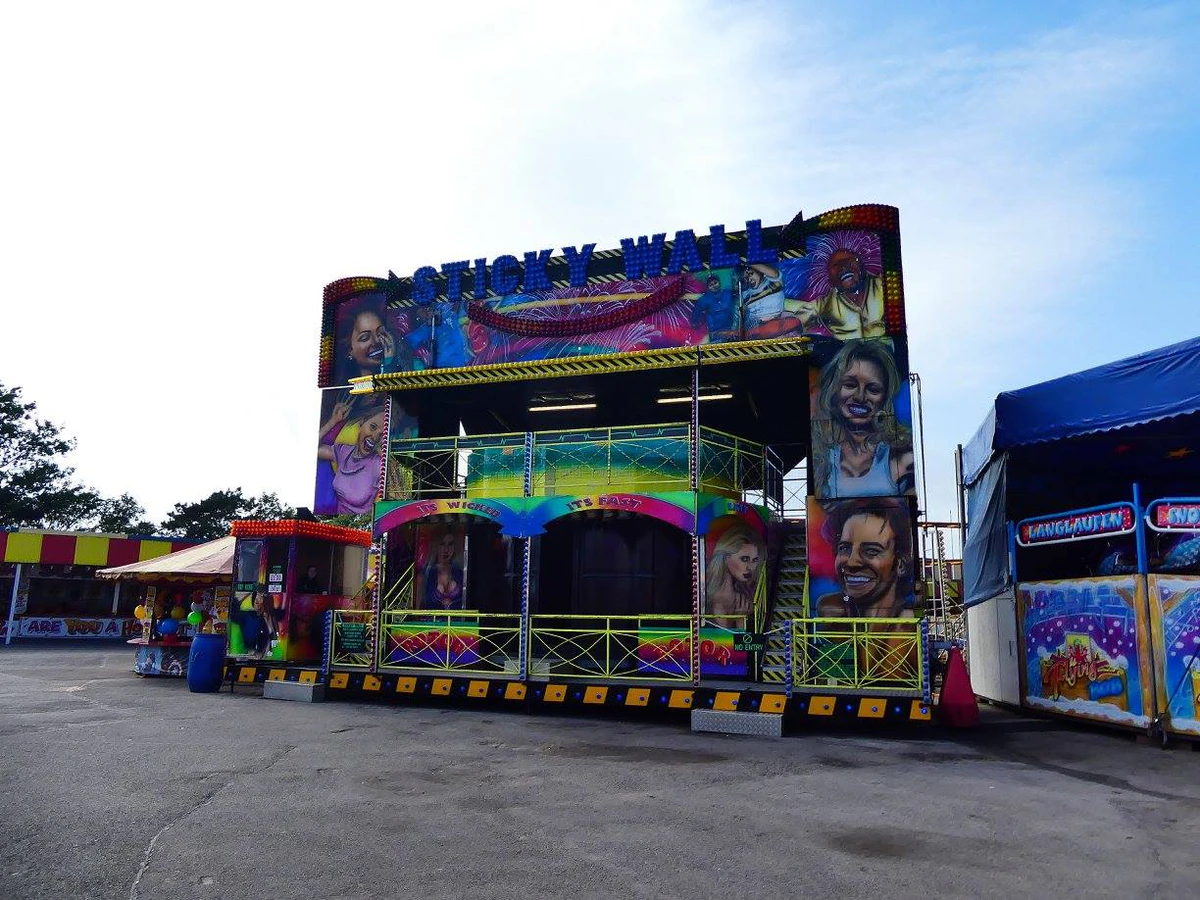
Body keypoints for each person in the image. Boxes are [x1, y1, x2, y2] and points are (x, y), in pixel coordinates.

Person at [815, 500, 918, 679]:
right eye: (844, 548)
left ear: (900, 564)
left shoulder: (906, 627)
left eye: (871, 551)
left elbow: (891, 681)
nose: (852, 562)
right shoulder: (834, 609)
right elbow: (838, 678)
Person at [812, 339, 914, 498]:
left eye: (873, 389)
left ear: (885, 398)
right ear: (834, 390)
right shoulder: (821, 459)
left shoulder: (902, 456)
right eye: (850, 385)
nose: (860, 397)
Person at [796, 233, 885, 340]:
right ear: (831, 280)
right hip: (846, 354)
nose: (843, 268)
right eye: (836, 266)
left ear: (862, 265)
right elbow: (797, 320)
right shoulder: (825, 303)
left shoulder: (881, 285)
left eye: (848, 262)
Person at [317, 399, 387, 515]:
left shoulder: (379, 464)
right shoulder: (344, 451)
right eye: (373, 427)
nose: (375, 437)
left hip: (363, 528)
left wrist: (384, 450)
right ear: (362, 423)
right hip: (337, 524)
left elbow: (400, 492)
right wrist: (333, 421)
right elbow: (314, 448)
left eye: (382, 435)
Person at [705, 524, 764, 629]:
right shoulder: (719, 600)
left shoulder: (742, 592)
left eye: (754, 560)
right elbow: (728, 640)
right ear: (726, 558)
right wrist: (740, 620)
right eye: (744, 559)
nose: (750, 567)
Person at [423, 529, 465, 610]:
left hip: (456, 621)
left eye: (450, 544)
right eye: (442, 544)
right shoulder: (427, 573)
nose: (446, 549)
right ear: (435, 546)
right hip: (432, 621)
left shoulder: (460, 572)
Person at [691, 273, 737, 339]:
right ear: (707, 287)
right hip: (716, 334)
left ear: (719, 282)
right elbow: (695, 317)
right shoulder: (704, 300)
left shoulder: (728, 293)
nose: (714, 286)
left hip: (732, 331)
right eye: (711, 285)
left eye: (715, 283)